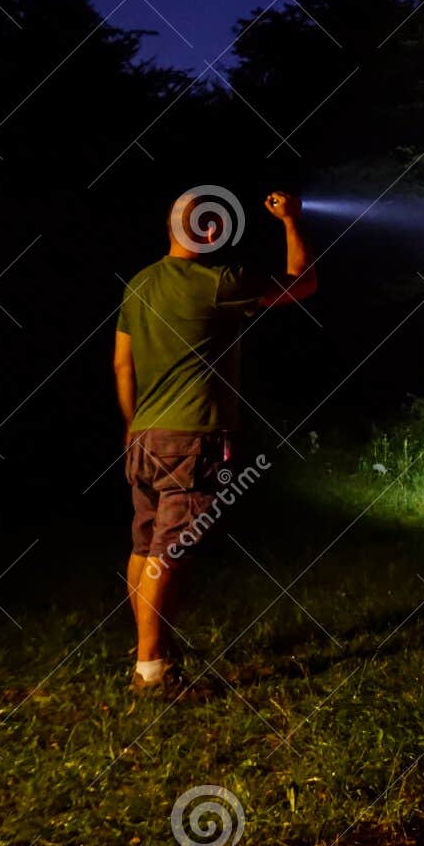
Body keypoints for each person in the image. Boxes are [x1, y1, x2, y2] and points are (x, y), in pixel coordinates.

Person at [113, 189, 316, 694]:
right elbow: (302, 284)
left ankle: (150, 656)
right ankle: (152, 669)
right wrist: (290, 221)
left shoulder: (137, 284)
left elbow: (122, 363)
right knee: (169, 551)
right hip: (191, 436)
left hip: (143, 435)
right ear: (208, 232)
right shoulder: (216, 283)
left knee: (143, 548)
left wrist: (133, 423)